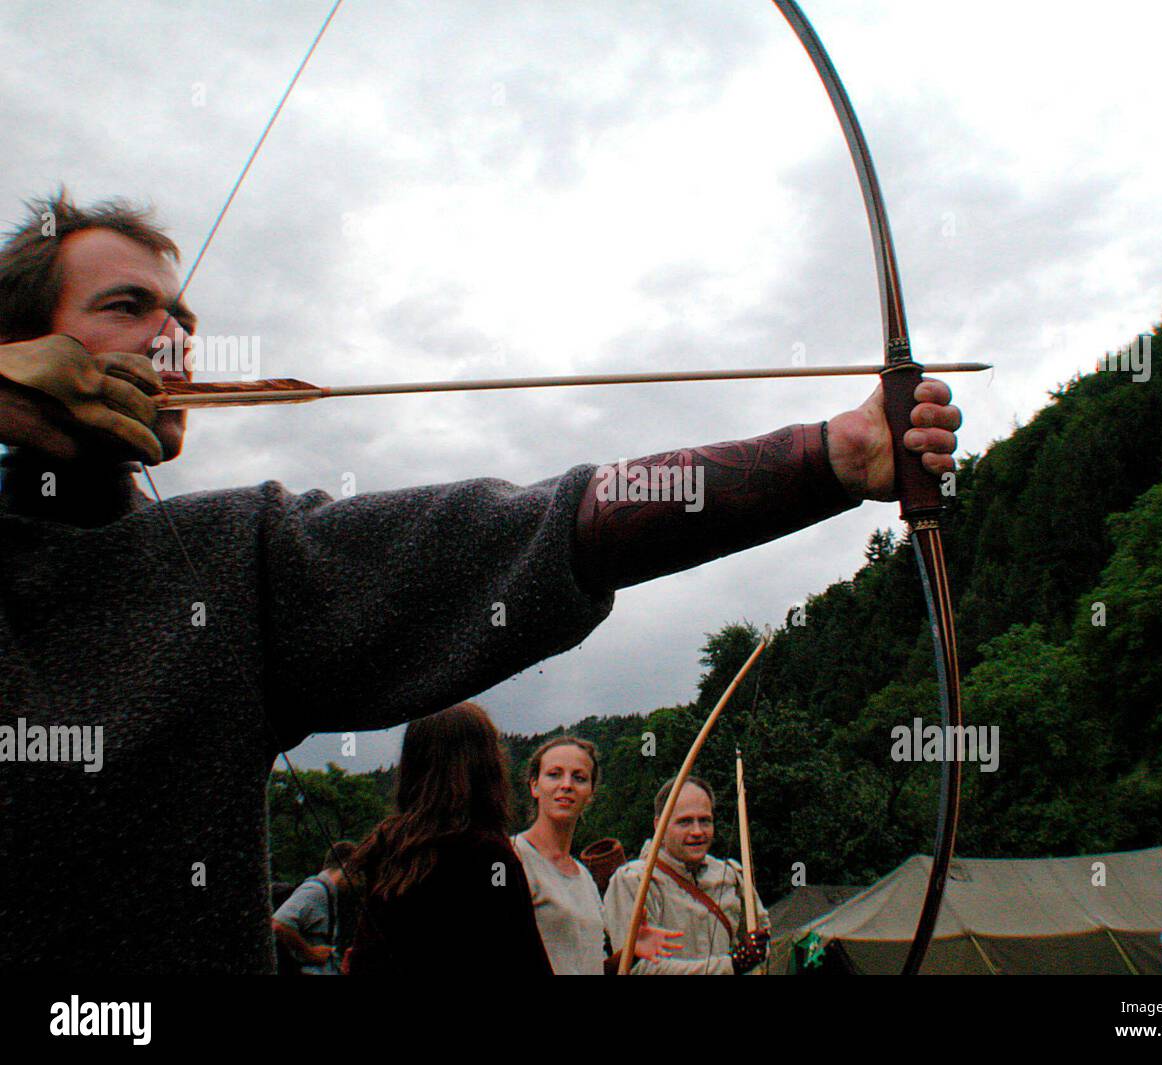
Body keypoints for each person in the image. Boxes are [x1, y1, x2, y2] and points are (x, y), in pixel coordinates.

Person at [0, 191, 962, 973]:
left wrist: (830, 457)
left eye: (185, 318)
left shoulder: (224, 564)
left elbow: (541, 529)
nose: (174, 338)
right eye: (128, 308)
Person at [346, 702, 549, 974]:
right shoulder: (493, 859)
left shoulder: (388, 848)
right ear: (485, 766)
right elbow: (522, 953)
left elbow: (365, 959)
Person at [512, 736, 681, 974]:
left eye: (579, 778)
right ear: (535, 786)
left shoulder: (583, 877)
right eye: (554, 774)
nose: (566, 785)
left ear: (590, 793)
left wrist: (629, 953)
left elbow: (590, 968)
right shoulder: (514, 858)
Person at [604, 776, 769, 975]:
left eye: (705, 821)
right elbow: (638, 969)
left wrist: (754, 952)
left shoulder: (731, 875)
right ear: (660, 825)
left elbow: (760, 938)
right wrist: (730, 966)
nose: (697, 831)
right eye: (685, 822)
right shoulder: (633, 880)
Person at [271, 842, 356, 975]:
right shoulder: (316, 890)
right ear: (347, 867)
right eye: (358, 873)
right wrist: (309, 952)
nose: (358, 880)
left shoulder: (328, 894)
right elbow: (279, 923)